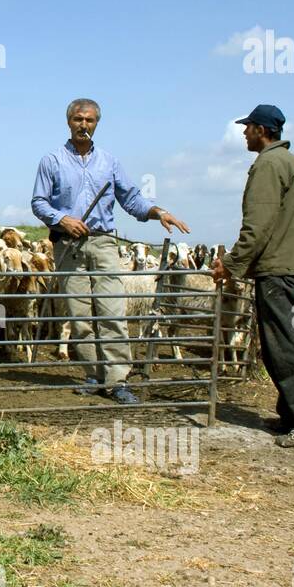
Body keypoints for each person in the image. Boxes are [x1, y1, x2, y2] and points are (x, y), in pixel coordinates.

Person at [31, 98, 191, 404]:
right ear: (68, 122)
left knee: (111, 311)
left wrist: (158, 212)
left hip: (104, 243)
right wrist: (62, 219)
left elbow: (131, 198)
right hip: (68, 245)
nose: (83, 125)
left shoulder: (109, 162)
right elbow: (39, 202)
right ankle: (94, 375)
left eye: (89, 120)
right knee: (79, 315)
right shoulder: (51, 161)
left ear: (96, 124)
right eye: (78, 119)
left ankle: (118, 380)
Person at [211, 104, 294, 448]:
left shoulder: (268, 164)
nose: (244, 133)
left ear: (261, 130)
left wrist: (231, 264)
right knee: (289, 340)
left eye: (248, 127)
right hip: (292, 266)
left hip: (278, 270)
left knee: (284, 344)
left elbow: (258, 225)